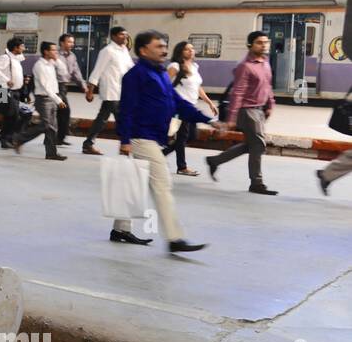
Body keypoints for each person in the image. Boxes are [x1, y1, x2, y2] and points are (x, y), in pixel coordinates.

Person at [111, 31, 222, 253]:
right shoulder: (135, 75)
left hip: (154, 136)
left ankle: (120, 229)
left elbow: (179, 103)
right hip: (142, 137)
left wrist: (208, 120)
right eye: (158, 46)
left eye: (165, 46)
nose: (164, 50)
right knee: (162, 184)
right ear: (143, 50)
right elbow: (127, 110)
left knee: (137, 182)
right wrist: (125, 140)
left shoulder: (161, 73)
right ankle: (174, 239)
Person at [206, 31, 277, 194]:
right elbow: (237, 92)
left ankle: (215, 160)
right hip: (248, 110)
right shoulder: (244, 66)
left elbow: (268, 86)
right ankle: (256, 183)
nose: (264, 45)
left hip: (260, 110)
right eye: (259, 42)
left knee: (251, 145)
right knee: (258, 145)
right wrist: (232, 117)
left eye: (266, 42)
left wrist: (270, 105)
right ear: (250, 45)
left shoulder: (265, 63)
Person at [162, 40, 218, 176]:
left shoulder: (194, 66)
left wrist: (209, 102)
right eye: (187, 49)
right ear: (180, 51)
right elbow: (163, 84)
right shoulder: (175, 66)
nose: (191, 51)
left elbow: (197, 87)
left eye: (192, 49)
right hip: (180, 107)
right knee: (183, 137)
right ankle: (181, 167)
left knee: (190, 136)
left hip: (191, 107)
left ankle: (160, 156)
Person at [11, 41, 68, 160]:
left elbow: (64, 73)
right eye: (53, 50)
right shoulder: (40, 66)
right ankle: (19, 138)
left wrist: (57, 59)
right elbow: (46, 86)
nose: (55, 52)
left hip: (52, 98)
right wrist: (58, 100)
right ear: (46, 51)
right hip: (43, 100)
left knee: (53, 127)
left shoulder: (51, 63)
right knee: (46, 125)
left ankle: (51, 153)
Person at [82, 27, 134, 155]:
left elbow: (131, 68)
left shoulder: (124, 51)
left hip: (122, 91)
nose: (125, 37)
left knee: (103, 118)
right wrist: (90, 91)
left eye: (126, 35)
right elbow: (97, 70)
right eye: (122, 35)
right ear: (114, 36)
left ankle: (88, 144)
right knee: (120, 118)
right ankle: (125, 145)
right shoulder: (107, 51)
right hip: (111, 90)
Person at [0, 37, 26, 149]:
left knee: (11, 116)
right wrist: (7, 80)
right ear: (15, 48)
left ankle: (5, 136)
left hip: (14, 91)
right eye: (22, 46)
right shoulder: (5, 58)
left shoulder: (15, 58)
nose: (24, 48)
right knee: (12, 116)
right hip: (4, 90)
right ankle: (5, 138)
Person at [55, 33, 86, 145]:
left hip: (63, 87)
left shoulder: (72, 56)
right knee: (63, 112)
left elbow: (76, 72)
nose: (72, 44)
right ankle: (57, 138)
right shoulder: (55, 55)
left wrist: (83, 85)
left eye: (72, 42)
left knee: (61, 113)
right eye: (69, 42)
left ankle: (59, 138)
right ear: (62, 43)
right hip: (55, 86)